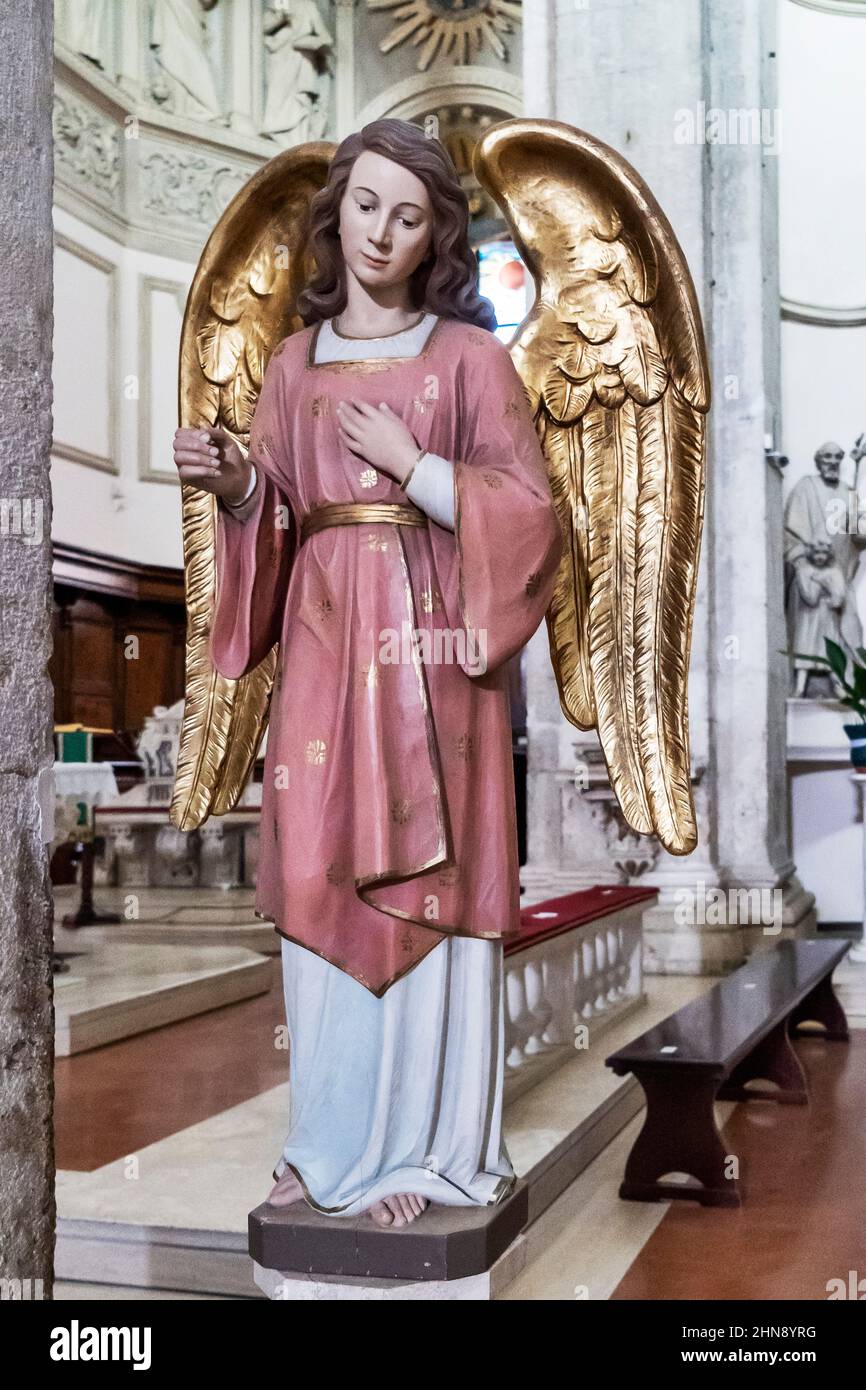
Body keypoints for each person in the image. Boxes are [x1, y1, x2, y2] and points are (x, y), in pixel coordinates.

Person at [172, 119, 563, 1228]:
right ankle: (326, 1140)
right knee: (317, 876)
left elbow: (533, 521)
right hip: (325, 656)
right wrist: (242, 482)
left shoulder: (470, 359)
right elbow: (279, 516)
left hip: (438, 669)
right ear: (333, 213)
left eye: (408, 213)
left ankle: (427, 1152)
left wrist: (416, 467)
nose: (382, 231)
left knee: (432, 892)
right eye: (365, 205)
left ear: (435, 230)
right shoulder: (291, 366)